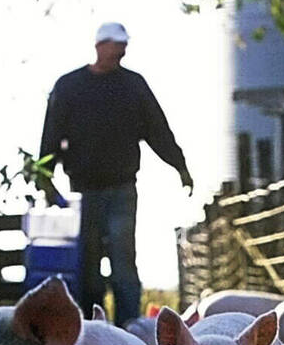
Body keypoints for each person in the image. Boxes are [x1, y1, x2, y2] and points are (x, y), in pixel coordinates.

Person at [38, 21, 193, 326]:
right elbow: (51, 137)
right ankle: (91, 328)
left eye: (123, 46)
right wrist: (45, 178)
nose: (120, 51)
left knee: (124, 268)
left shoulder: (132, 86)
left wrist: (180, 166)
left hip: (122, 189)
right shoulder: (69, 87)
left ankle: (127, 330)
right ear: (100, 46)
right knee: (89, 270)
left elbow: (157, 130)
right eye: (115, 45)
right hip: (84, 192)